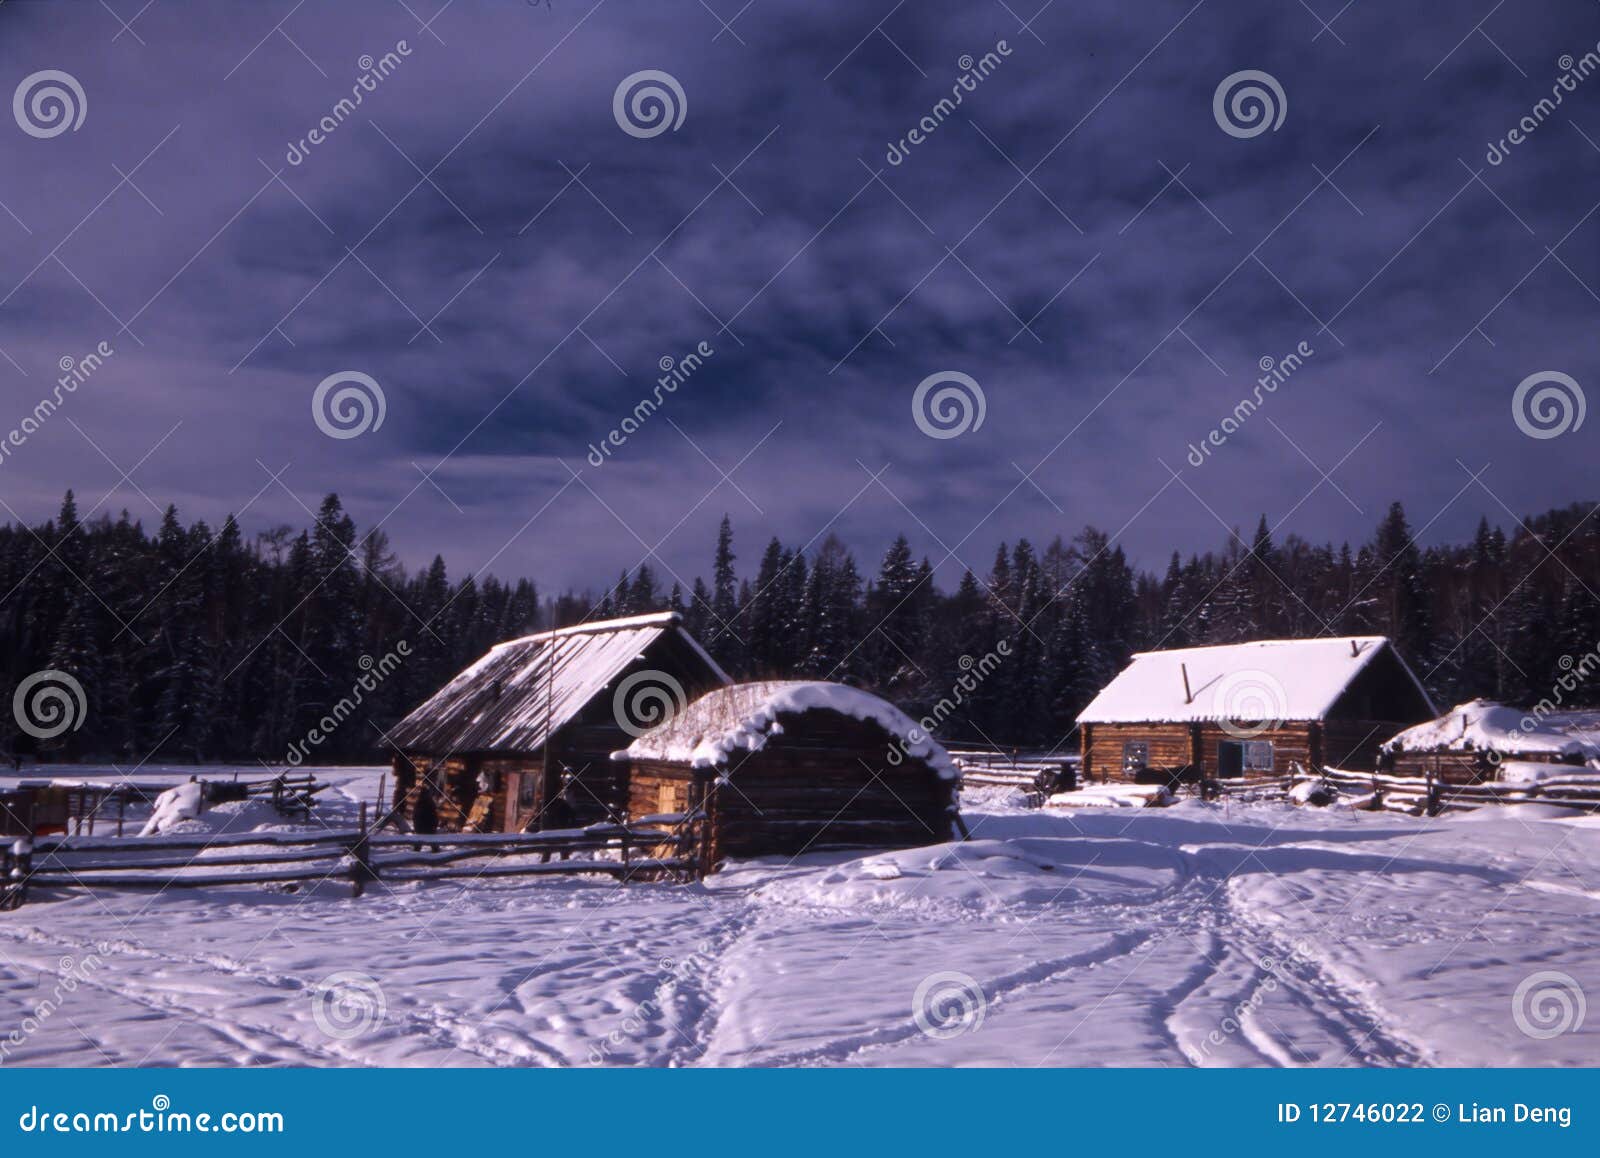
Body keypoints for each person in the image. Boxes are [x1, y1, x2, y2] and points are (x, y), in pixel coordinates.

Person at [411, 789, 440, 854]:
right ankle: (436, 852)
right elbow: (434, 816)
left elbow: (414, 816)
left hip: (420, 828)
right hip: (428, 828)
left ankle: (415, 853)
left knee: (419, 842)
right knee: (432, 841)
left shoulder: (418, 803)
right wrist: (435, 825)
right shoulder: (430, 803)